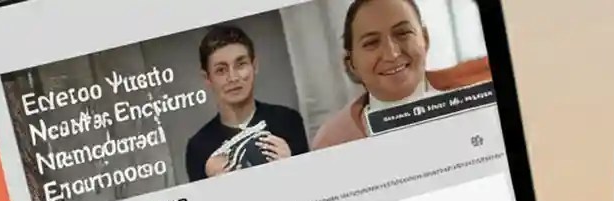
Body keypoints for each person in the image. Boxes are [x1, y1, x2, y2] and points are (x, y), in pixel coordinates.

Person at [312, 0, 493, 150]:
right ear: (351, 63)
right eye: (372, 43)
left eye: (403, 33)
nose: (392, 54)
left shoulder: (483, 95)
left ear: (425, 39)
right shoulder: (331, 141)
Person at [185, 25, 310, 182]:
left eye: (240, 64)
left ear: (254, 66)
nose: (233, 77)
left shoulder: (288, 121)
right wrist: (211, 186)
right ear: (207, 78)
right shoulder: (198, 148)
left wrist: (293, 165)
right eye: (221, 70)